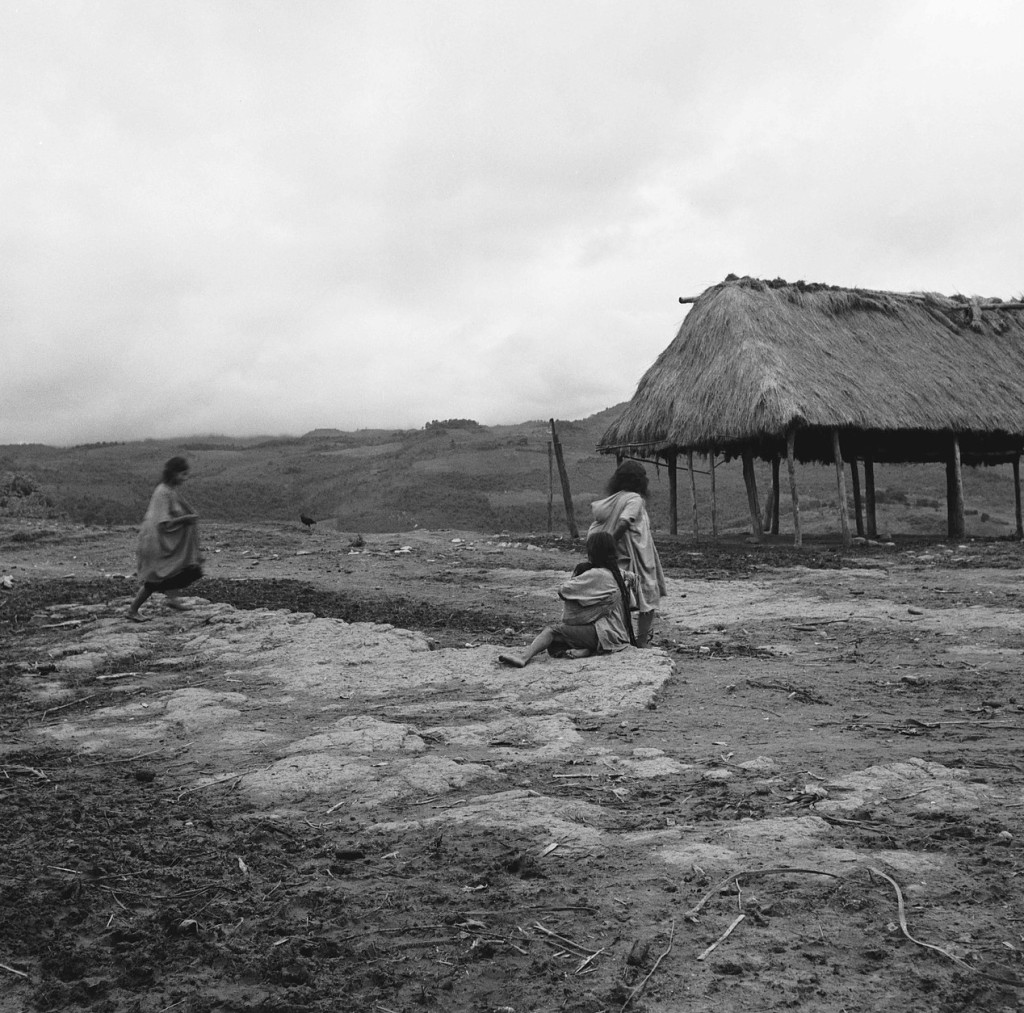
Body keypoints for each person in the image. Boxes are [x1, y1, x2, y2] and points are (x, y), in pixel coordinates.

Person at [498, 531, 636, 668]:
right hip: (619, 633)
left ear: (593, 552)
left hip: (605, 632)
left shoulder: (597, 574)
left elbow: (563, 591)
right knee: (554, 645)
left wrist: (579, 573)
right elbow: (632, 581)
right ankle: (587, 650)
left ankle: (523, 658)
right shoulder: (619, 574)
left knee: (552, 631)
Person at [588, 460, 666, 647]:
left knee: (620, 599)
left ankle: (621, 638)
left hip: (619, 557)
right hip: (636, 557)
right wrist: (609, 544)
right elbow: (624, 523)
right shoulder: (634, 499)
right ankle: (640, 642)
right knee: (647, 599)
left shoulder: (616, 498)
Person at [127, 456, 203, 622]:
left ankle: (173, 599)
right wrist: (185, 519)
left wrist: (188, 518)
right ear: (174, 473)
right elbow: (163, 523)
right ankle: (133, 610)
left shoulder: (170, 491)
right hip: (155, 542)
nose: (185, 478)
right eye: (183, 474)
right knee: (155, 580)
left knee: (175, 570)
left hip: (161, 541)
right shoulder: (162, 492)